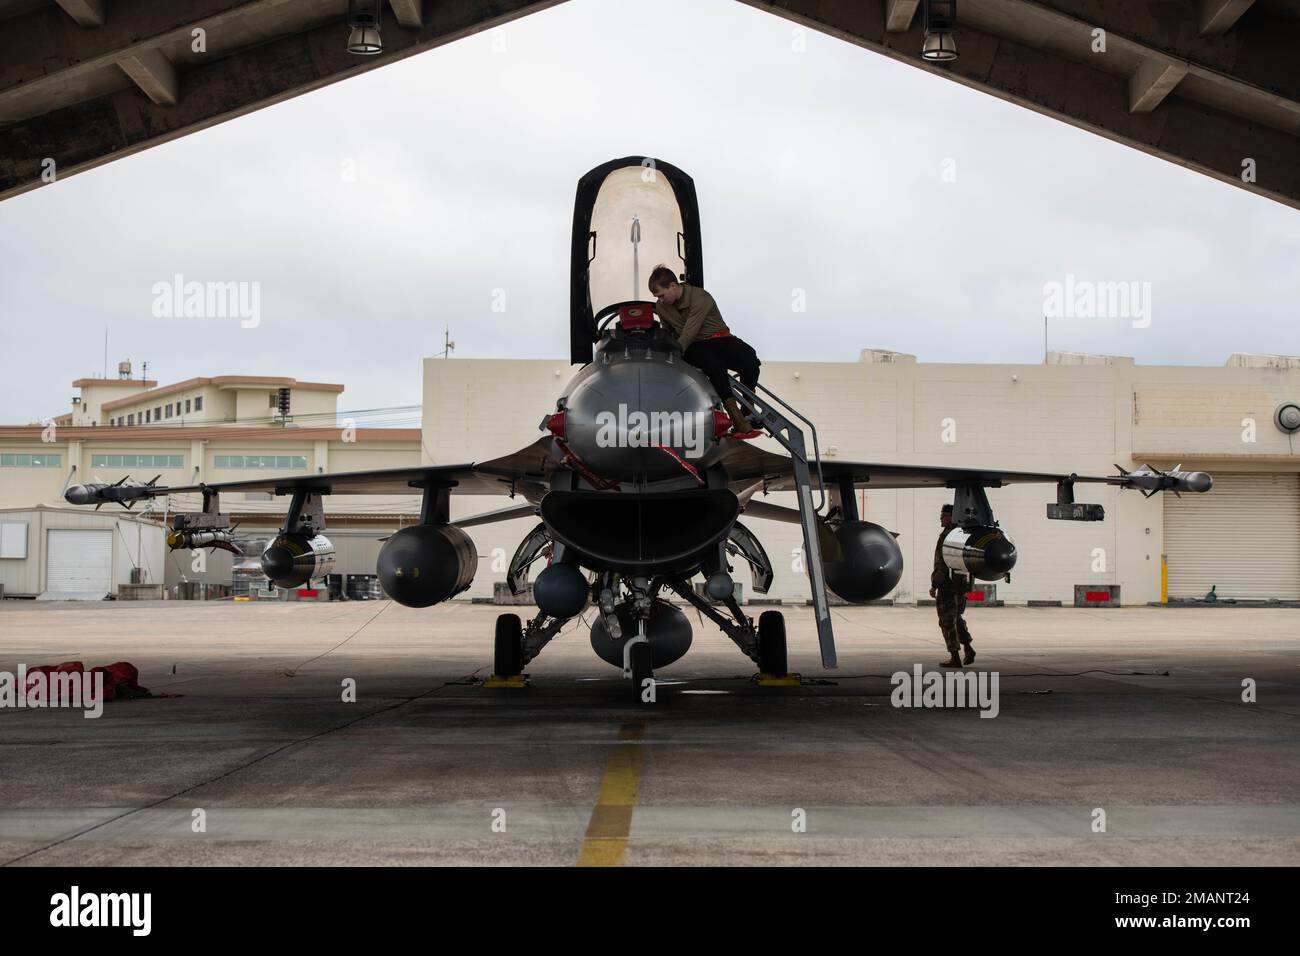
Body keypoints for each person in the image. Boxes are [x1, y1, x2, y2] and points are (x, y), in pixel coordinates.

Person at [648, 265, 761, 434]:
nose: (660, 300)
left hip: (719, 339)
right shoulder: (662, 307)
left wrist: (677, 348)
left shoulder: (700, 297)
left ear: (673, 285)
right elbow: (669, 332)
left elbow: (690, 331)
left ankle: (747, 406)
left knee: (750, 359)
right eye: (657, 297)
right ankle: (735, 415)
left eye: (662, 295)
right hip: (693, 346)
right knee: (713, 364)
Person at [930, 503, 975, 668]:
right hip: (962, 585)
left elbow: (941, 563)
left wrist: (934, 584)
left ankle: (955, 656)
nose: (940, 518)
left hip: (947, 586)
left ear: (951, 517)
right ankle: (968, 648)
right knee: (957, 618)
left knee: (947, 621)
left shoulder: (947, 536)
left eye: (943, 515)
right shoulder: (963, 534)